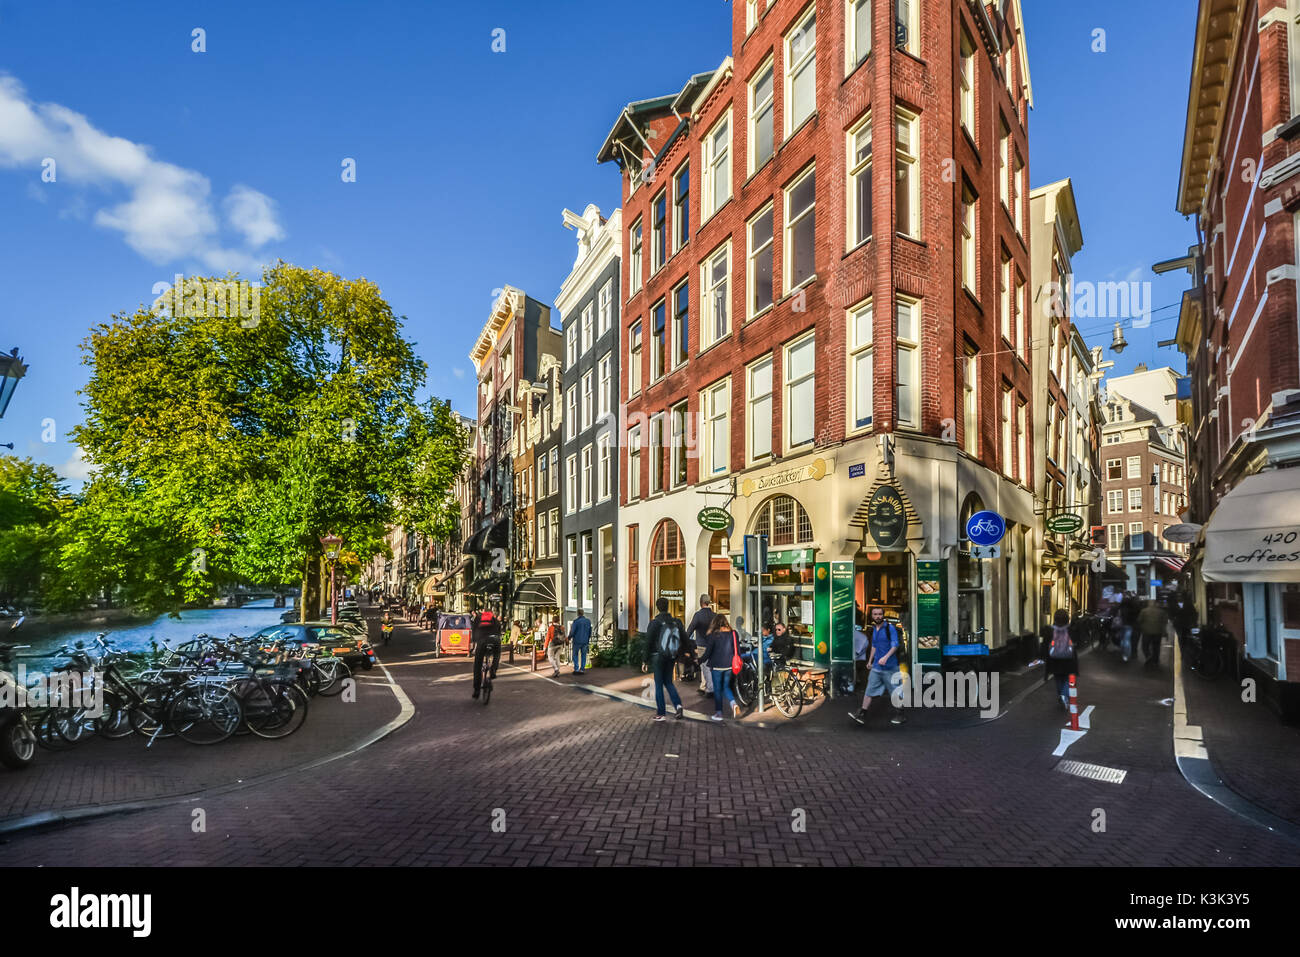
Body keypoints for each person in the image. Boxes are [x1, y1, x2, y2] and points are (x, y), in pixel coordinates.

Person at [849, 606, 905, 726]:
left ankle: (900, 714)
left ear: (883, 615)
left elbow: (895, 645)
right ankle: (863, 713)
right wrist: (870, 661)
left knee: (895, 691)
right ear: (872, 616)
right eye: (875, 614)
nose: (877, 616)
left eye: (880, 614)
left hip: (890, 666)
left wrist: (885, 657)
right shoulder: (875, 629)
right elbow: (874, 646)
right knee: (869, 690)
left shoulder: (890, 628)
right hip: (876, 667)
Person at [642, 597, 686, 721]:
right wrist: (687, 654)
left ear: (657, 607)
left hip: (658, 656)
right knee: (669, 682)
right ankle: (678, 705)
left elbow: (648, 642)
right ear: (667, 606)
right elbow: (684, 638)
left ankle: (661, 713)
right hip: (671, 656)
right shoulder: (676, 622)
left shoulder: (655, 622)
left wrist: (645, 660)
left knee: (659, 684)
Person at [696, 614, 741, 721]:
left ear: (714, 623)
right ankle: (734, 704)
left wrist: (699, 660)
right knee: (726, 687)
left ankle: (719, 713)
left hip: (716, 666)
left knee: (717, 689)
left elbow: (708, 652)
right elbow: (737, 650)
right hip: (730, 665)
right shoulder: (733, 633)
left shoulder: (713, 635)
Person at [1040, 608, 1078, 708]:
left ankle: (1061, 694)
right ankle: (1064, 695)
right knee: (1067, 679)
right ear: (1067, 619)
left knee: (1058, 678)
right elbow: (1075, 644)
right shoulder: (1070, 630)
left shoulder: (1050, 630)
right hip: (1068, 660)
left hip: (1054, 660)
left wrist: (1042, 657)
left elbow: (1044, 646)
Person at [684, 594, 716, 695]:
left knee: (704, 666)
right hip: (713, 644)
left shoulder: (698, 615)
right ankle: (704, 685)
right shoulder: (714, 615)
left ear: (701, 602)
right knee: (709, 666)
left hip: (702, 644)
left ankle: (709, 688)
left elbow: (691, 628)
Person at [471, 610, 502, 699]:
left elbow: (474, 631)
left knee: (478, 664)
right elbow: (499, 631)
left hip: (482, 641)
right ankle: (493, 670)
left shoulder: (478, 618)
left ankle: (477, 690)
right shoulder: (494, 620)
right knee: (497, 654)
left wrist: (474, 643)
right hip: (495, 640)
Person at [1137, 598, 1169, 666]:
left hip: (1146, 632)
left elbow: (1139, 620)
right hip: (1158, 632)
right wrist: (1165, 632)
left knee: (1145, 645)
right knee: (1156, 647)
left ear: (1148, 604)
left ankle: (1148, 655)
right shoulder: (1161, 611)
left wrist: (1141, 627)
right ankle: (1155, 660)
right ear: (1156, 604)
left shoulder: (1144, 611)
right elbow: (1165, 622)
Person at [568, 609, 592, 674]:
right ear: (583, 613)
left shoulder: (576, 622)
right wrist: (588, 637)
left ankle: (576, 668)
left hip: (577, 641)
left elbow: (572, 631)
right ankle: (582, 669)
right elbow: (590, 631)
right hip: (585, 641)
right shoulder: (588, 621)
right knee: (583, 655)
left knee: (575, 654)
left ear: (578, 614)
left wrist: (569, 637)